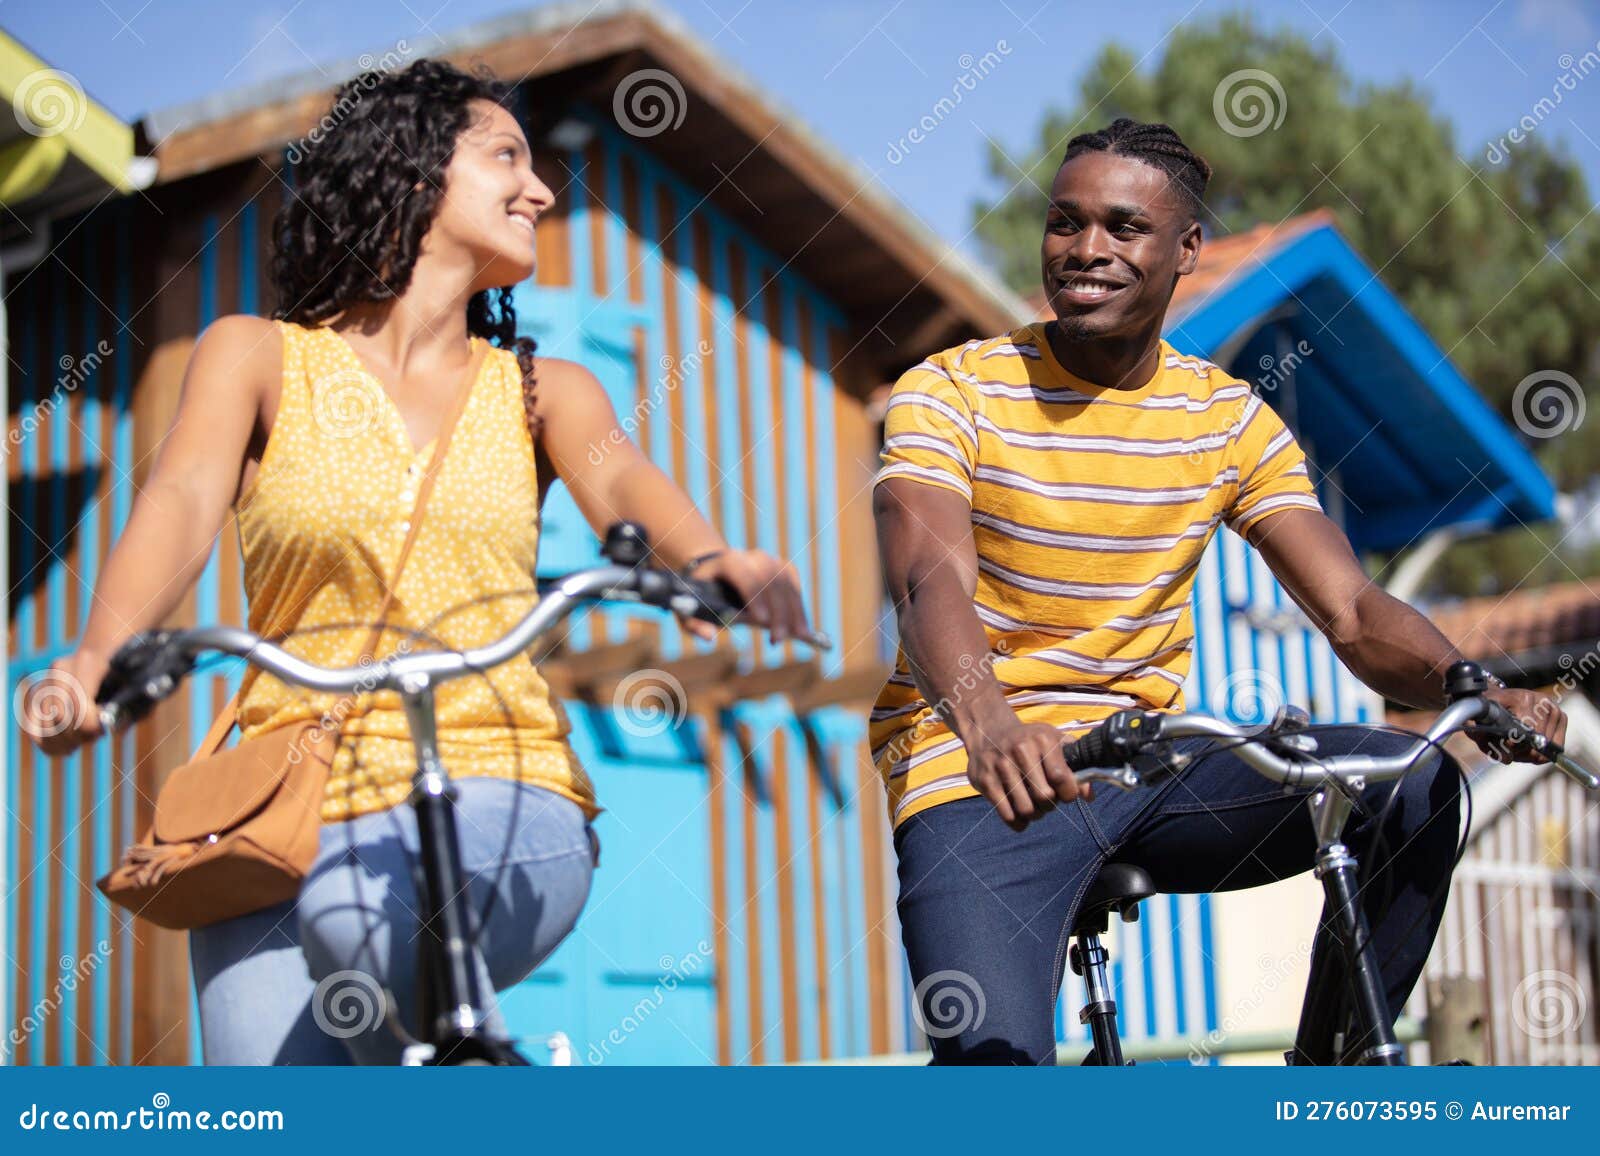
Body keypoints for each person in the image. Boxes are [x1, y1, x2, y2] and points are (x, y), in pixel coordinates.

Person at [21, 58, 812, 1064]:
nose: (540, 190)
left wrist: (712, 558)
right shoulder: (256, 357)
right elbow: (176, 506)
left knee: (358, 916)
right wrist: (91, 663)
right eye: (505, 157)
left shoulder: (542, 390)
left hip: (494, 778)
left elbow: (623, 483)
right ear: (411, 174)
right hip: (277, 806)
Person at [871, 117, 1567, 1064]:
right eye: (1064, 223)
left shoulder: (1226, 417)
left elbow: (1353, 612)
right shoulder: (951, 391)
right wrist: (988, 719)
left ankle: (1333, 1086)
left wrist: (1465, 683)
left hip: (1146, 770)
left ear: (1186, 248)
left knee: (1411, 784)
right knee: (995, 1084)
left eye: (1123, 228)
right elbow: (924, 573)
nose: (1085, 251)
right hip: (982, 778)